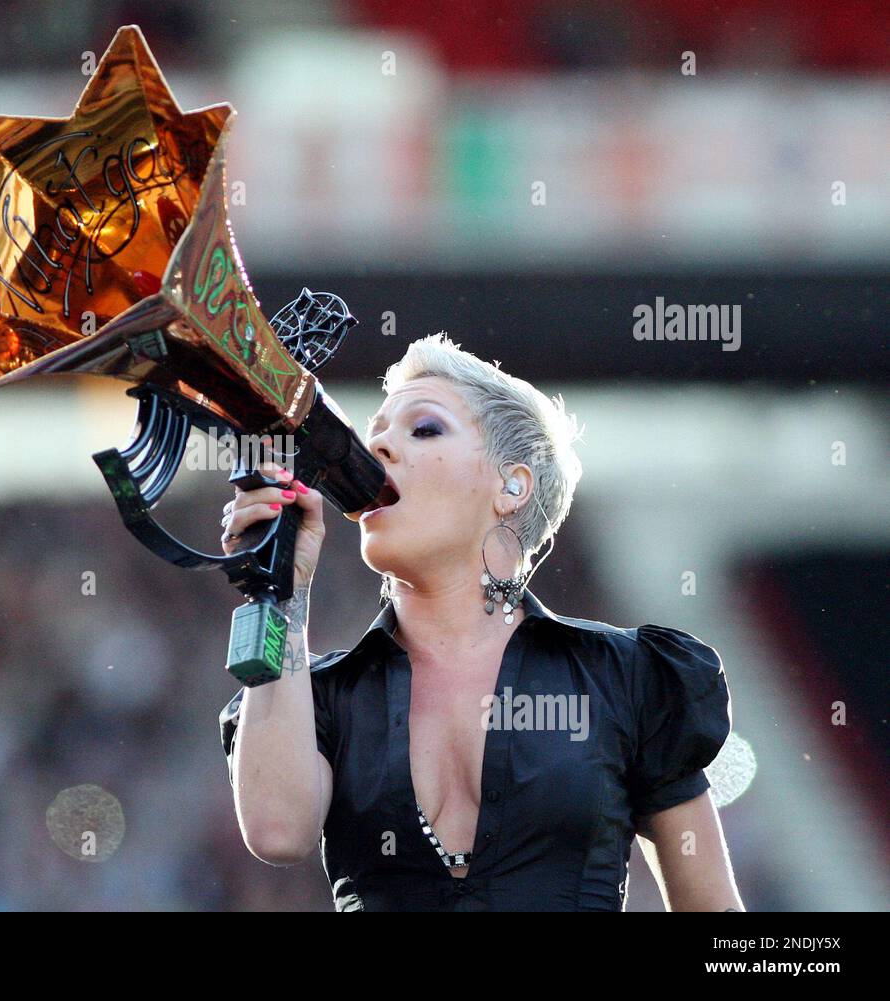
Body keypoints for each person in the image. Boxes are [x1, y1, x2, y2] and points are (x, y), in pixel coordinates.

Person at [216, 332, 742, 912]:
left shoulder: (626, 678)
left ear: (512, 485)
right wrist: (279, 588)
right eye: (376, 437)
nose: (379, 451)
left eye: (424, 429)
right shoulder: (317, 696)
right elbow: (276, 832)